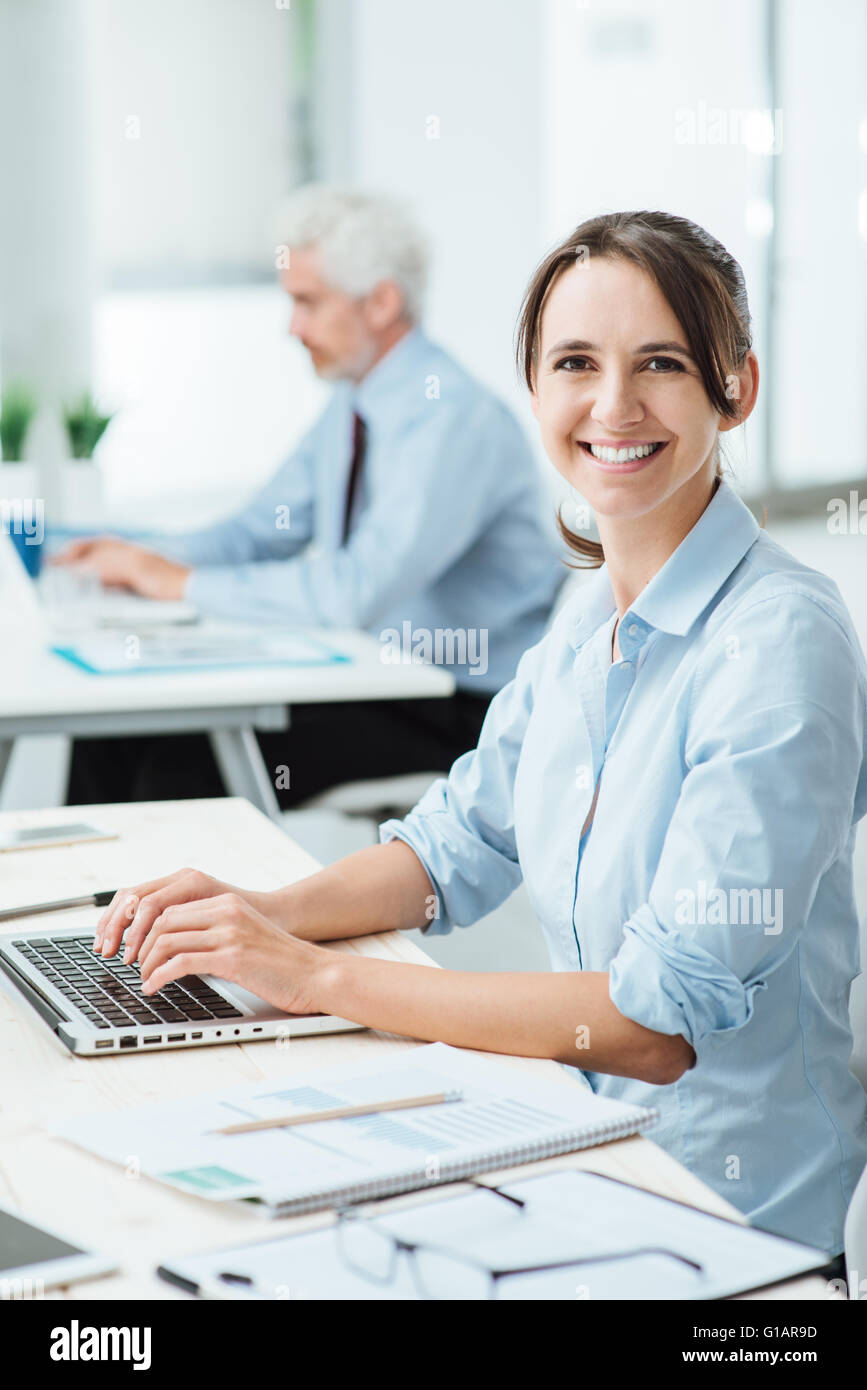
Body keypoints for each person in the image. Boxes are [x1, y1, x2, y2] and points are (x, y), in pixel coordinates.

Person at [91, 210, 867, 1259]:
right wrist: (259, 915)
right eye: (575, 363)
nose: (613, 404)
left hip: (727, 1227)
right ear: (537, 390)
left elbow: (655, 1025)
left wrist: (318, 977)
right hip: (568, 1155)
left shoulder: (780, 644)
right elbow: (453, 844)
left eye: (663, 364)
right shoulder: (587, 617)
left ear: (737, 388)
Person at [60, 186, 560, 808]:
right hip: (364, 675)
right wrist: (131, 554)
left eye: (308, 303)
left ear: (381, 302)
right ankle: (86, 907)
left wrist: (176, 582)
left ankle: (180, 909)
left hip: (453, 705)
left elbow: (353, 592)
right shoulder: (354, 402)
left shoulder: (455, 422)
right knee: (113, 732)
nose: (291, 328)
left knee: (183, 771)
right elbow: (256, 532)